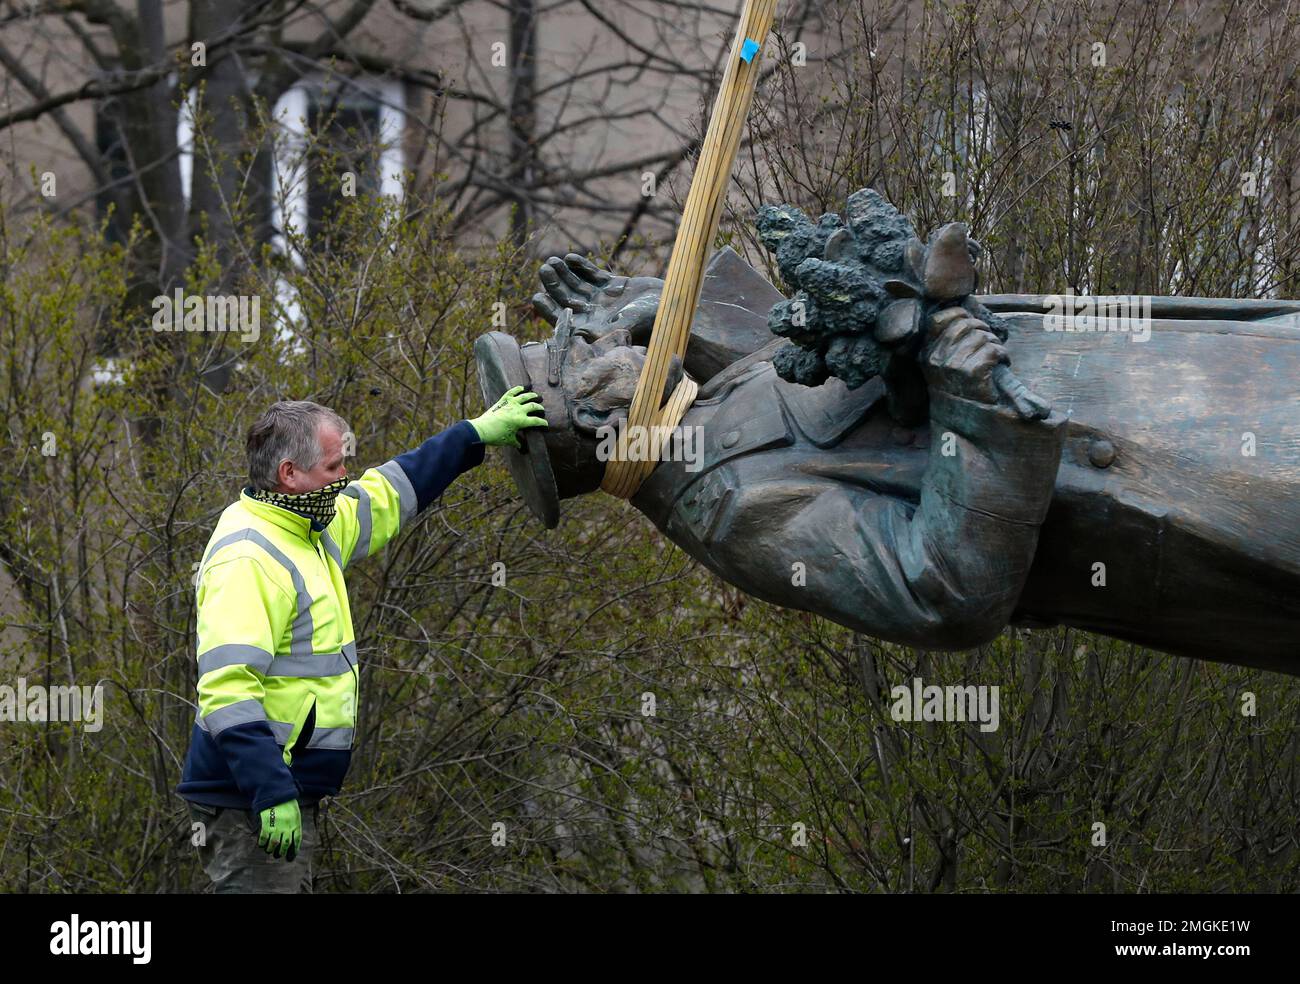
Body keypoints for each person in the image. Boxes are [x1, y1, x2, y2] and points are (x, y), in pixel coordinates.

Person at [178, 392, 546, 893]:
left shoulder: (309, 526)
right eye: (334, 465)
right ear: (290, 473)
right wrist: (270, 791)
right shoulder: (249, 556)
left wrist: (474, 434)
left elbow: (389, 492)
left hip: (280, 791)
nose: (344, 476)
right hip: (251, 801)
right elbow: (227, 688)